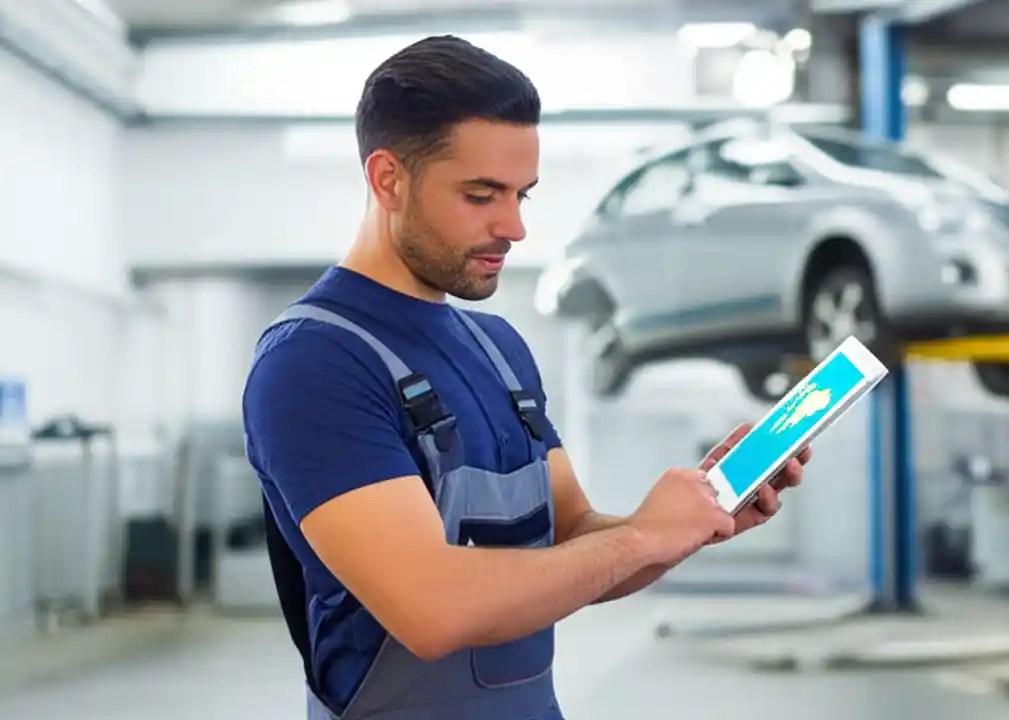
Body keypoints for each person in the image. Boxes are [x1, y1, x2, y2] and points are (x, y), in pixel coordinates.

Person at [241, 35, 811, 720]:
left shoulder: (497, 348)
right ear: (388, 178)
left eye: (522, 195)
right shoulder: (314, 363)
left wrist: (693, 522)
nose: (512, 226)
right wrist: (642, 537)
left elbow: (573, 543)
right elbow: (431, 608)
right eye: (481, 195)